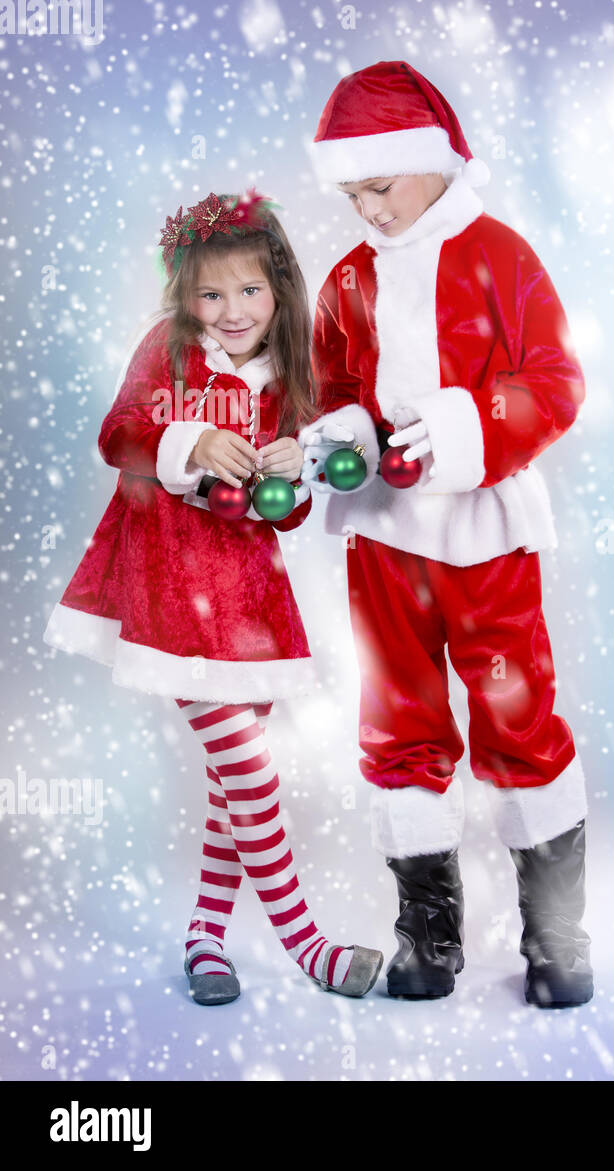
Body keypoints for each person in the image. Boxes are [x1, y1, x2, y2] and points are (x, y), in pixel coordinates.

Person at [42, 189, 383, 1005]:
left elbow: (291, 511)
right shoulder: (170, 350)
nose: (231, 312)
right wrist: (186, 439)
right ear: (186, 297)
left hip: (247, 599)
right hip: (166, 581)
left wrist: (290, 469)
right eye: (212, 294)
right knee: (252, 769)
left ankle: (205, 939)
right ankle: (306, 942)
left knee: (235, 786)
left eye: (250, 292)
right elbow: (117, 433)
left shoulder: (288, 372)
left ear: (280, 289)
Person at [301, 60, 593, 1007]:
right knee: (400, 728)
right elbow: (336, 386)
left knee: (518, 721)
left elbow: (555, 382)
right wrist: (344, 427)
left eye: (380, 185)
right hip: (383, 543)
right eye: (353, 194)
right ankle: (427, 931)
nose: (369, 210)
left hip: (486, 539)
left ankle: (555, 934)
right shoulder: (347, 281)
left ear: (428, 163)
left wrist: (469, 427)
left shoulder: (500, 255)